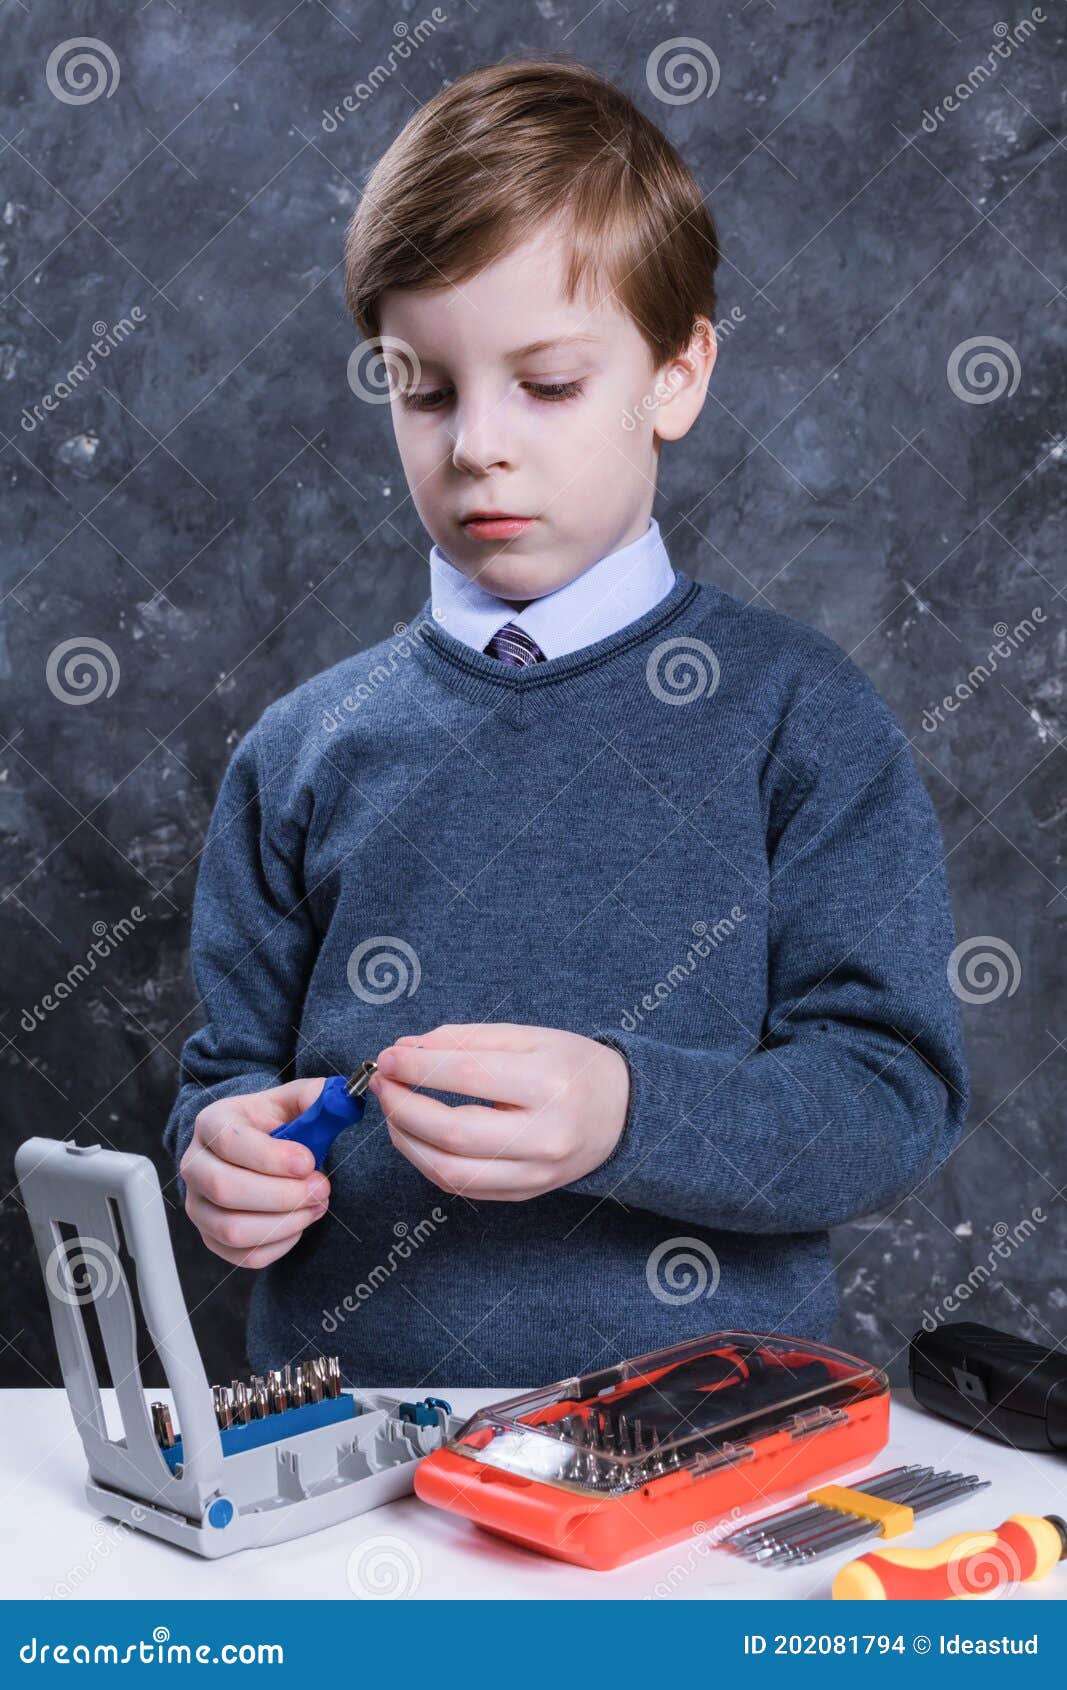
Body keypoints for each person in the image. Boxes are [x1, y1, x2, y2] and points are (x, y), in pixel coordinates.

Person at [164, 56, 968, 1388]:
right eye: (424, 389)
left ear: (675, 373)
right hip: (351, 1451)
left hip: (711, 1455)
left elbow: (891, 1097)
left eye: (545, 384)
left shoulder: (801, 718)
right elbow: (226, 1081)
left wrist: (625, 1111)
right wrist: (221, 1164)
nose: (478, 443)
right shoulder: (301, 750)